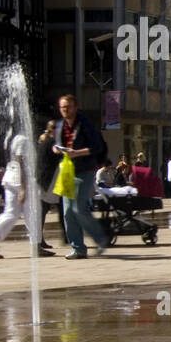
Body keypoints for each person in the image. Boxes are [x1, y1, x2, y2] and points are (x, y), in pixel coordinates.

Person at [53, 94, 110, 259]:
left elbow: (97, 146)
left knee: (79, 208)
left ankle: (101, 238)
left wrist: (76, 153)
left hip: (85, 170)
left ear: (76, 107)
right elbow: (56, 145)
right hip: (68, 171)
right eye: (62, 107)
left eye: (68, 107)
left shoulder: (84, 124)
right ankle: (78, 248)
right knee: (67, 212)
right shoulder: (61, 125)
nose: (65, 110)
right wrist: (57, 149)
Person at [0, 133, 50, 259]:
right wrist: (23, 188)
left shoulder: (19, 140)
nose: (45, 134)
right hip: (19, 182)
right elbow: (20, 162)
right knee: (33, 213)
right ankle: (36, 247)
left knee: (12, 213)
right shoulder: (23, 139)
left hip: (14, 180)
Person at [36, 120, 65, 248]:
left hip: (43, 180)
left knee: (43, 211)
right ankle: (38, 241)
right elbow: (58, 153)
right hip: (47, 182)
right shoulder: (52, 143)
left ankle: (39, 240)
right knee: (42, 211)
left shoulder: (44, 142)